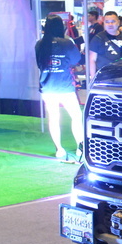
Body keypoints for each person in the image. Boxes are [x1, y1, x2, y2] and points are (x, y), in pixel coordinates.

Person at [35, 15, 84, 160]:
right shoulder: (66, 43)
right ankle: (80, 148)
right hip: (65, 87)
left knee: (54, 118)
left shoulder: (39, 44)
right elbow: (76, 60)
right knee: (76, 116)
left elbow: (39, 64)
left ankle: (59, 149)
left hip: (48, 87)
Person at [87, 10, 122, 82]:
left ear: (118, 22)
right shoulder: (98, 38)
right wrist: (93, 78)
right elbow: (92, 60)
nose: (110, 24)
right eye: (107, 22)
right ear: (104, 23)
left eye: (113, 21)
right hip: (103, 76)